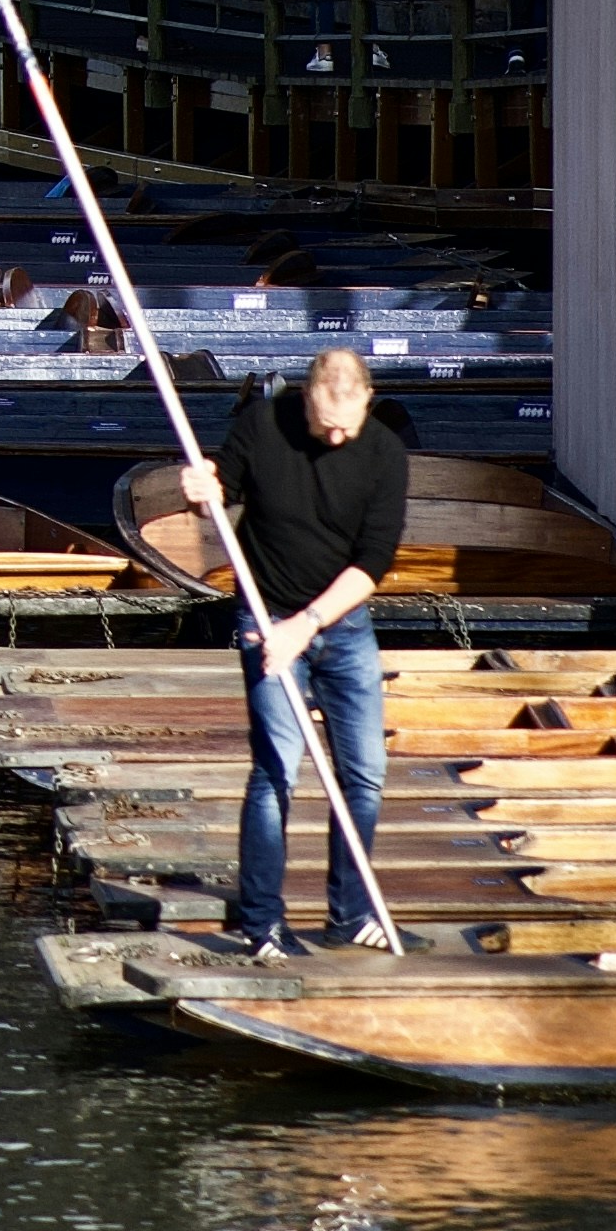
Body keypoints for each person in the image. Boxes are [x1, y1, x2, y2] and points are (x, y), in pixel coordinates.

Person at [180, 343, 408, 958]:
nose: (338, 439)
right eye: (328, 425)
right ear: (308, 399)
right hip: (266, 619)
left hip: (340, 623)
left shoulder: (384, 452)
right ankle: (262, 925)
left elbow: (373, 562)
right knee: (275, 773)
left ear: (367, 402)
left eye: (350, 426)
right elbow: (217, 494)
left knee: (365, 774)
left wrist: (307, 624)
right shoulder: (263, 423)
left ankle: (351, 915)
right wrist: (201, 487)